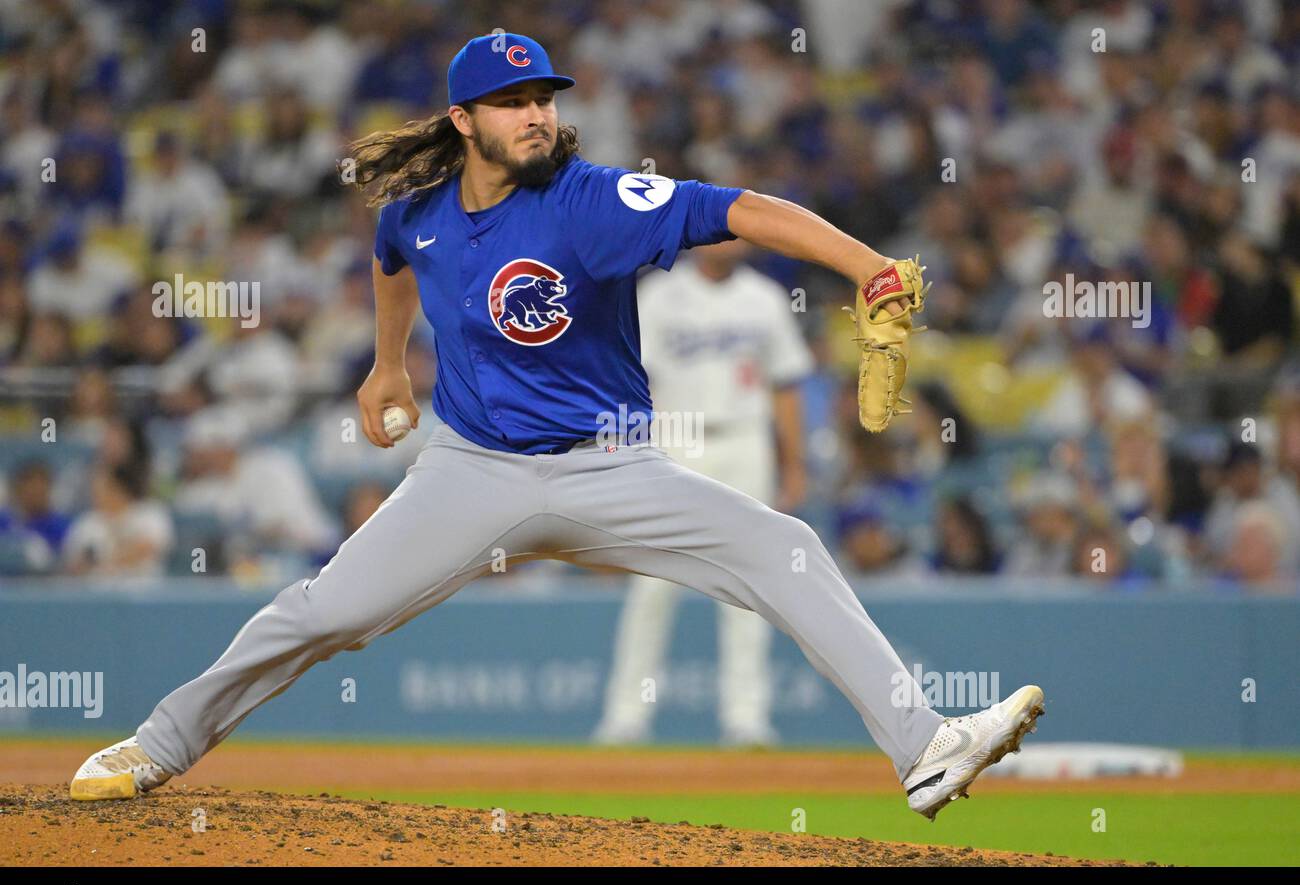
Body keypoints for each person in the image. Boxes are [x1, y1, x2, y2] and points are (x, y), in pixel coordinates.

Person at [70, 33, 1044, 821]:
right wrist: (383, 362)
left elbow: (743, 210)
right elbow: (392, 256)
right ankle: (159, 742)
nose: (536, 112)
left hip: (609, 467)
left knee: (784, 547)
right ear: (464, 121)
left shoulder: (592, 202)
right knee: (326, 613)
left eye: (543, 95)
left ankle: (922, 748)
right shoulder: (419, 212)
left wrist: (867, 264)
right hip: (471, 469)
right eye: (512, 100)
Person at [592, 238, 813, 748]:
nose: (729, 242)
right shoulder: (659, 295)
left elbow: (785, 385)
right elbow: (627, 378)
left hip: (745, 441)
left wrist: (794, 462)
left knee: (749, 586)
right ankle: (626, 716)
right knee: (653, 583)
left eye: (736, 234)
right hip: (675, 441)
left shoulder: (765, 298)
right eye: (721, 232)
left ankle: (746, 719)